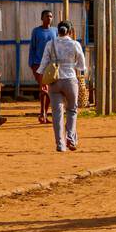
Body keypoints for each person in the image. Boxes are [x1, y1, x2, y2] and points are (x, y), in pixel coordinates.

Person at [37, 20, 86, 151]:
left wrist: (42, 82)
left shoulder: (50, 44)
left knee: (57, 113)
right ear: (70, 31)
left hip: (54, 81)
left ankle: (60, 144)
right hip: (70, 80)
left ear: (57, 31)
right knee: (72, 110)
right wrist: (72, 65)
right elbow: (82, 65)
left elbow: (43, 64)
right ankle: (70, 139)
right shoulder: (75, 44)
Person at [28, 9, 55, 123]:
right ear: (42, 18)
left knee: (49, 89)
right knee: (43, 89)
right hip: (39, 63)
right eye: (47, 16)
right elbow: (32, 48)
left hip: (51, 64)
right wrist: (32, 64)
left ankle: (44, 113)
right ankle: (42, 114)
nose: (49, 18)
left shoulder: (55, 31)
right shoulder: (36, 31)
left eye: (51, 16)